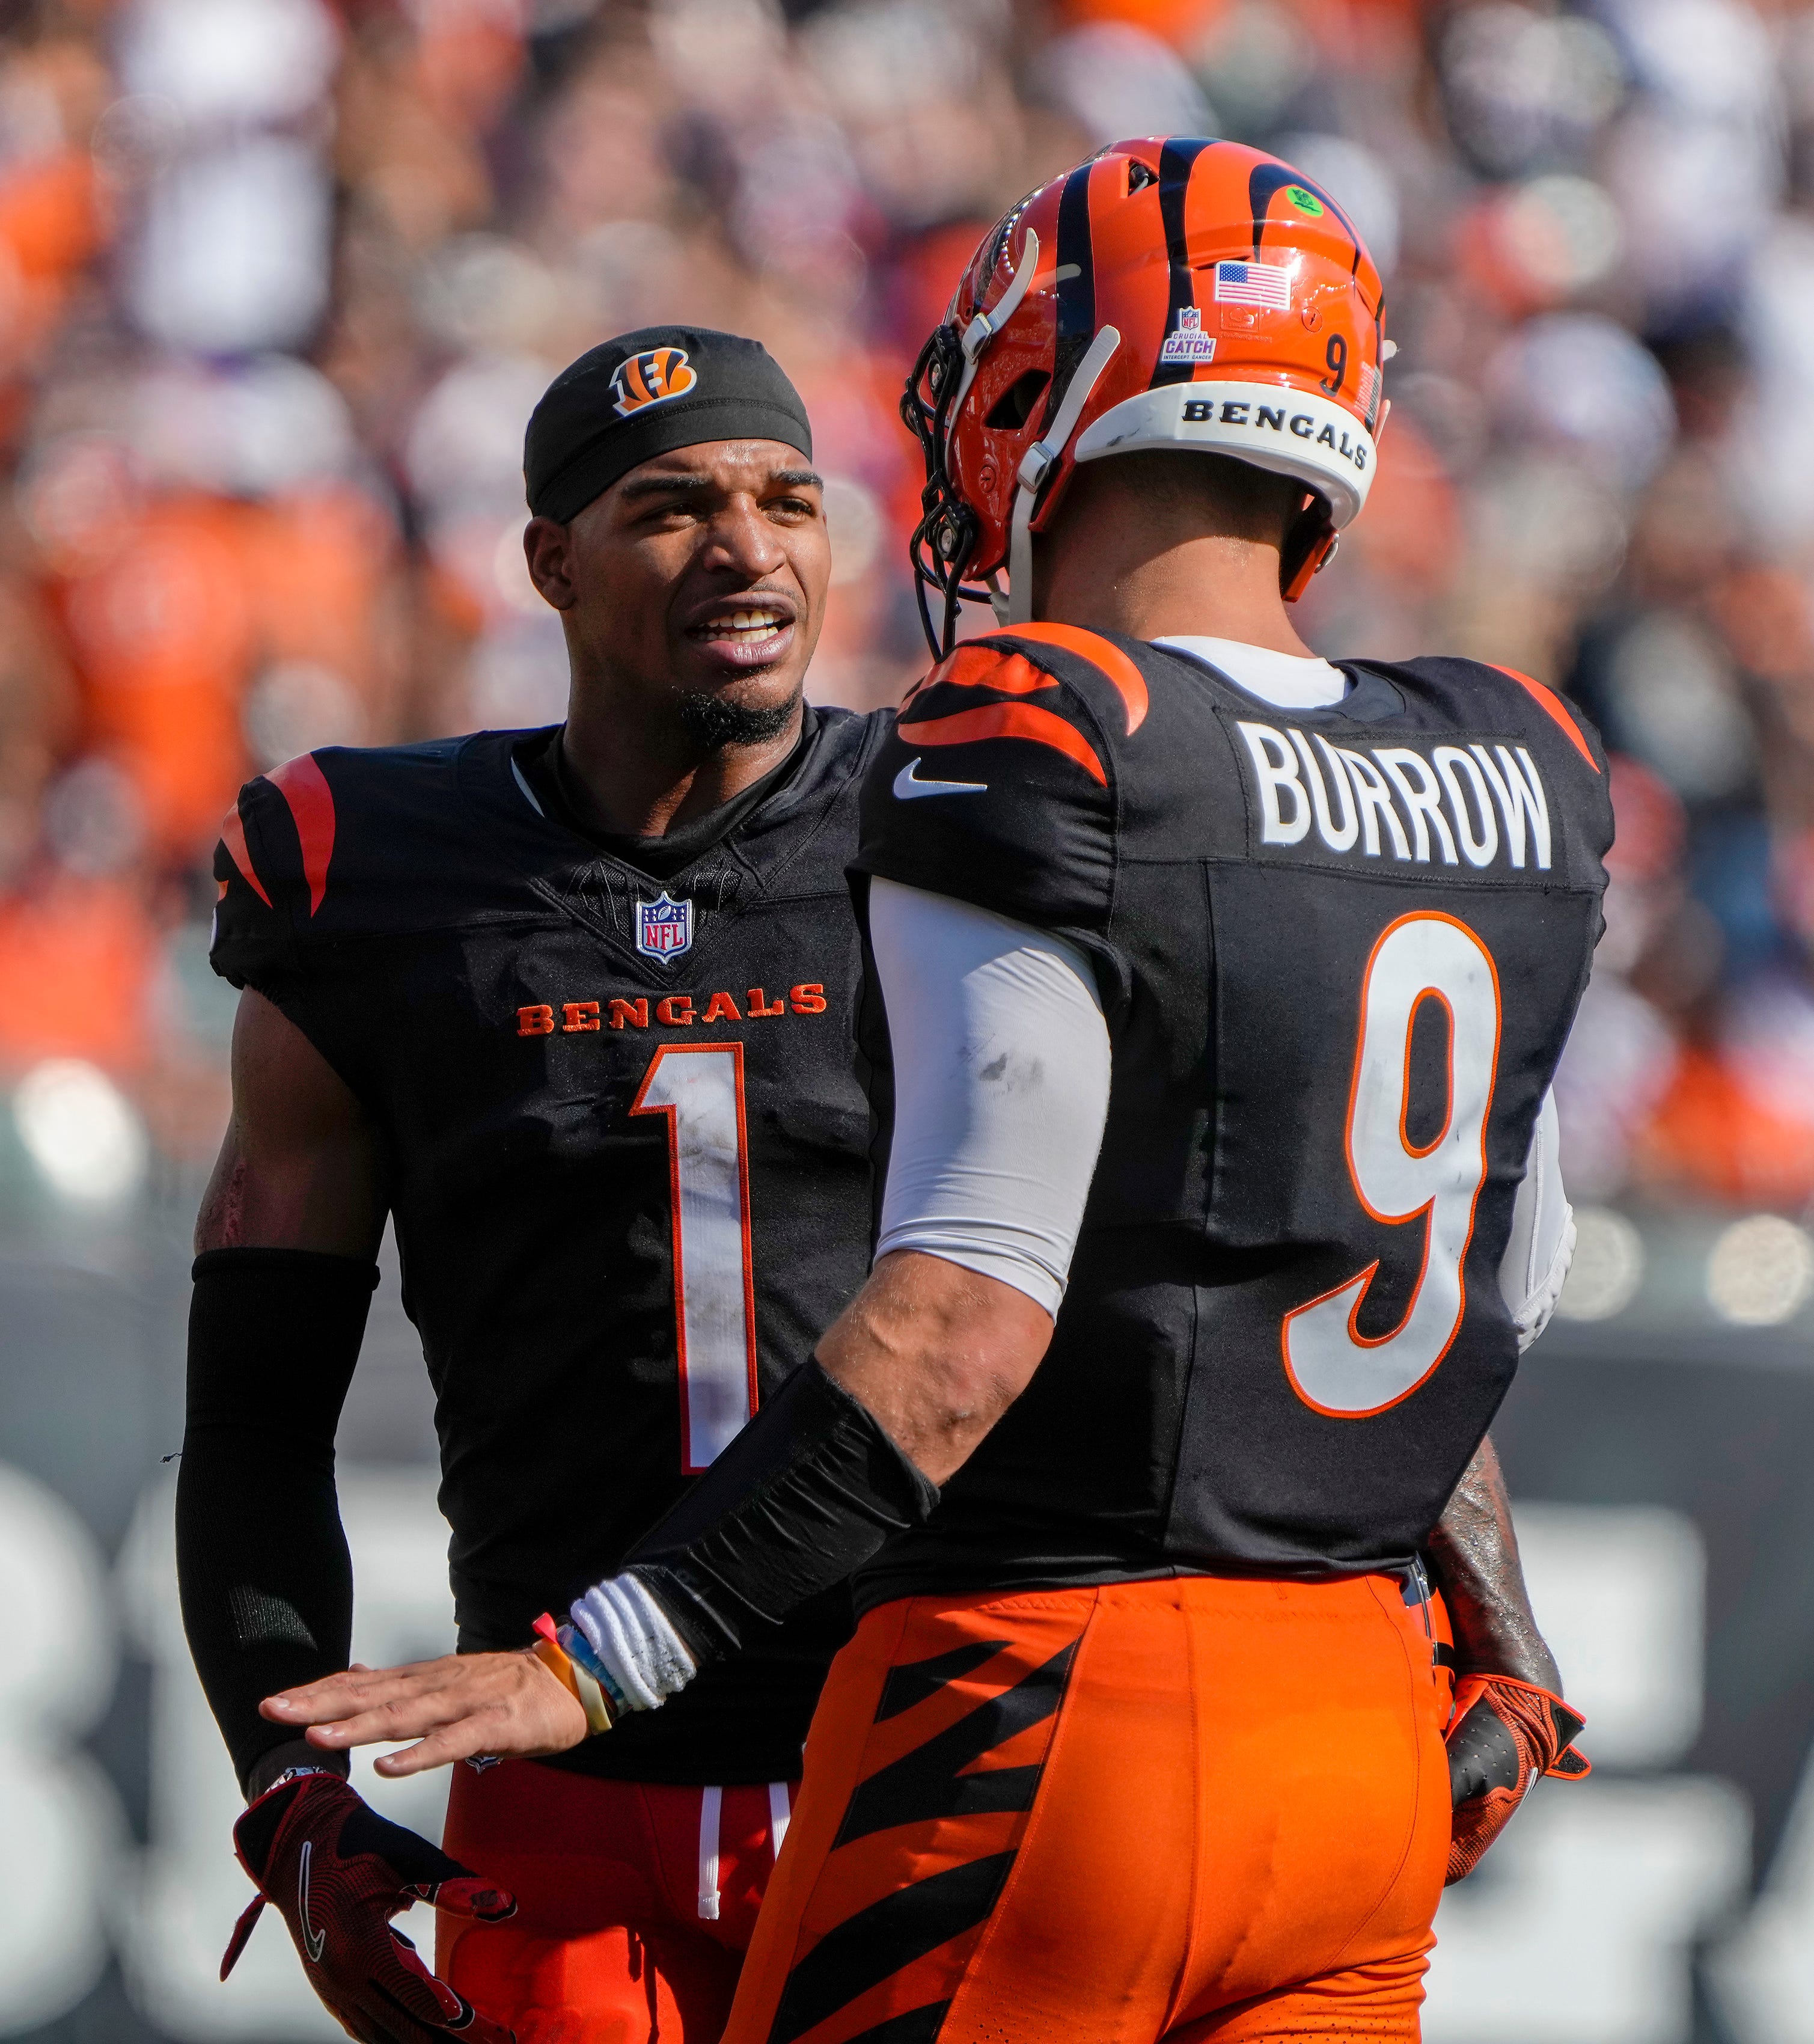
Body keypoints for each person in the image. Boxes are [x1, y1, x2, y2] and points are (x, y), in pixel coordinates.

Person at [261, 142, 1605, 2042]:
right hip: (1357, 1725)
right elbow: (1498, 1271)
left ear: (1054, 384)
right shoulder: (1513, 754)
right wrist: (1495, 1635)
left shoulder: (1036, 734)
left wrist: (591, 1663)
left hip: (1041, 1698)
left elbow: (962, 1320)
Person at [179, 326, 897, 2044]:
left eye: (789, 498)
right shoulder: (373, 874)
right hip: (561, 1800)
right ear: (549, 565)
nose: (748, 545)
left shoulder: (956, 816)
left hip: (899, 1769)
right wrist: (288, 1783)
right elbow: (259, 1415)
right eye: (674, 508)